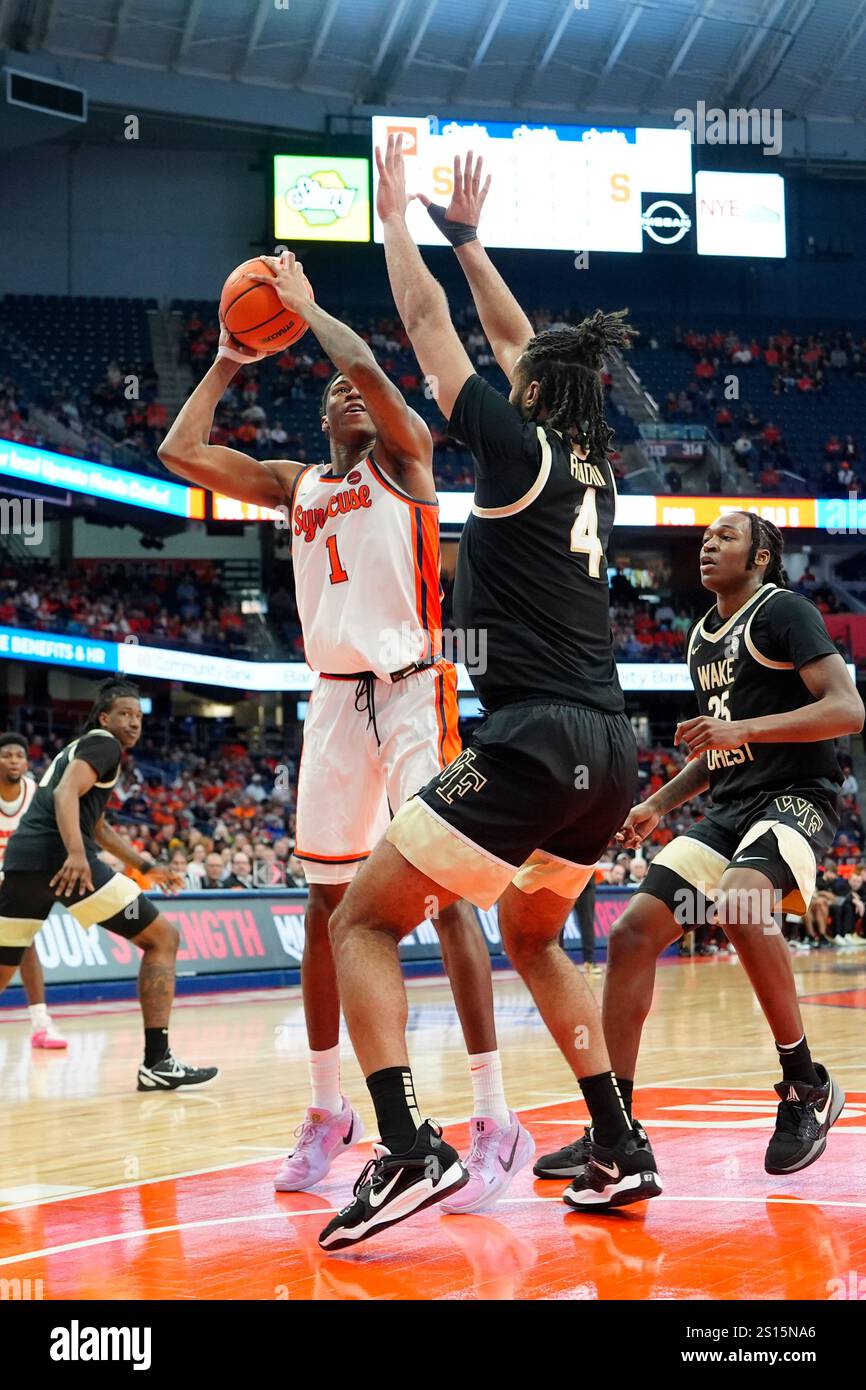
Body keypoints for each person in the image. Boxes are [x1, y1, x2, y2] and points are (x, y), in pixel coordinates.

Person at [317, 138, 648, 1253]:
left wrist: (397, 227)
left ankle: (408, 1145)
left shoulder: (512, 449)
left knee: (362, 915)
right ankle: (617, 1139)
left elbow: (431, 336)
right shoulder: (586, 458)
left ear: (532, 392)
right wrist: (470, 239)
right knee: (533, 928)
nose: (506, 368)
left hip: (534, 733)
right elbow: (517, 340)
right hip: (610, 749)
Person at [159, 251, 516, 1208]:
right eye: (335, 398)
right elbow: (180, 454)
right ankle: (329, 1111)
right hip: (330, 700)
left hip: (411, 692)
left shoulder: (408, 461)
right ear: (318, 421)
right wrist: (231, 361)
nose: (351, 398)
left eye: (357, 391)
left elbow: (363, 368)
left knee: (446, 898)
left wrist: (311, 313)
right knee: (326, 913)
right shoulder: (296, 484)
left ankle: (493, 1116)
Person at [546, 512, 861, 1200]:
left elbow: (848, 710)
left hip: (795, 797)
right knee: (632, 935)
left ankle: (805, 1084)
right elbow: (719, 750)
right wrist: (659, 804)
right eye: (705, 538)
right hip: (729, 809)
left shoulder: (785, 611)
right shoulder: (699, 637)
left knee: (742, 902)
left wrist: (742, 726)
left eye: (725, 535)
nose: (709, 544)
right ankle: (614, 1124)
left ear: (763, 554)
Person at [0, 680, 218, 1091]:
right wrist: (76, 855)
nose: (133, 722)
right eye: (125, 714)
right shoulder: (104, 745)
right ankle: (158, 1062)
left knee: (2, 966)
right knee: (162, 938)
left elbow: (95, 824)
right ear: (105, 717)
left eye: (138, 716)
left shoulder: (84, 750)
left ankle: (158, 1062)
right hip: (66, 865)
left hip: (24, 865)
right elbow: (66, 795)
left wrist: (145, 865)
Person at [0, 732, 67, 1048]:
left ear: (27, 761)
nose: (13, 761)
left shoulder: (35, 792)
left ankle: (41, 1025)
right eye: (7, 755)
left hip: (18, 878)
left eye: (18, 755)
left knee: (26, 942)